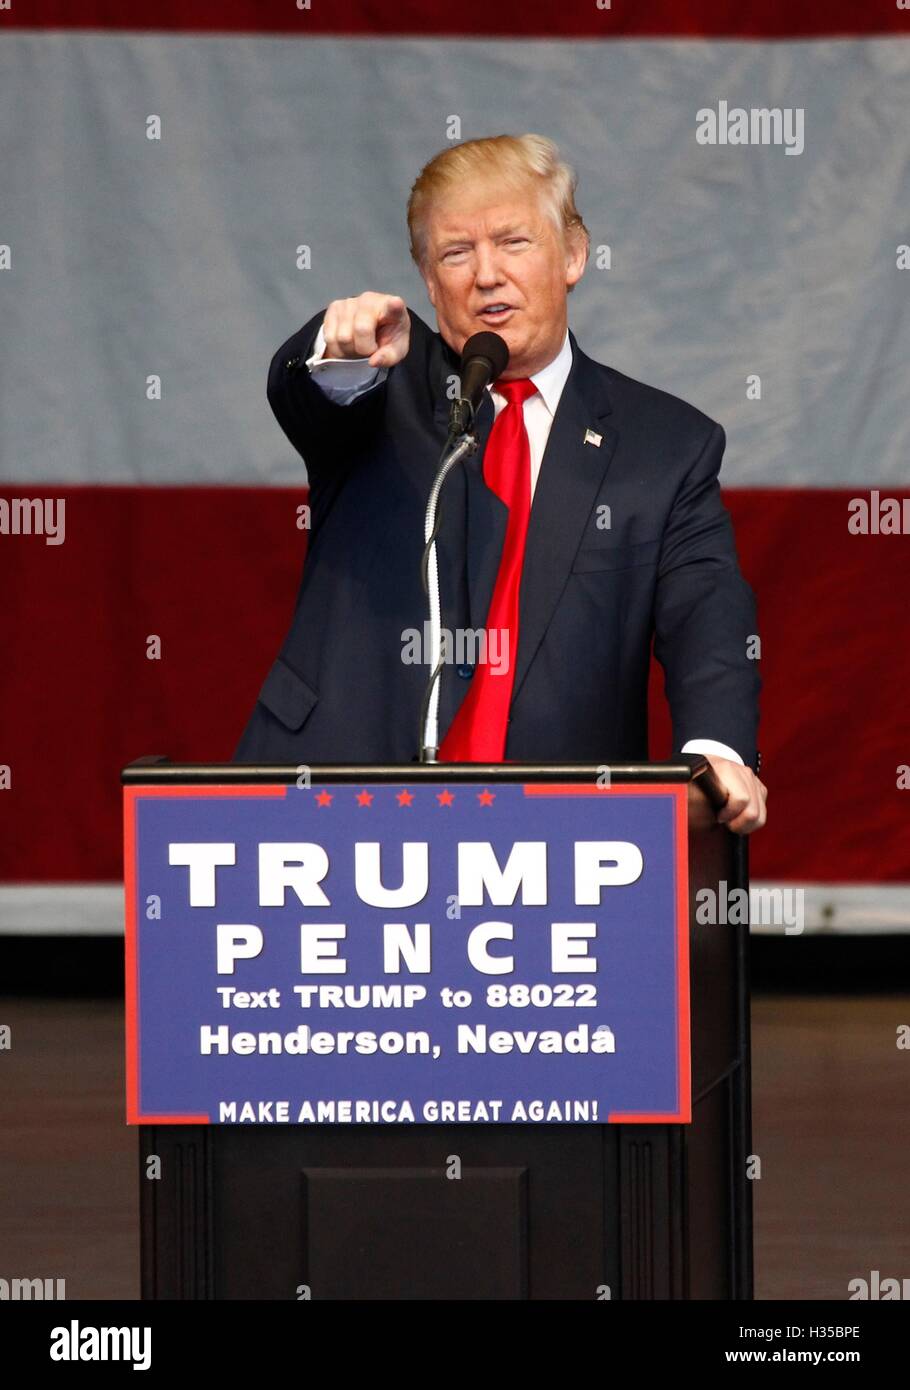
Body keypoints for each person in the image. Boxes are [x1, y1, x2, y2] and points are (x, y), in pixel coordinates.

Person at [235, 134, 767, 835]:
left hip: (553, 834)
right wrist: (340, 355)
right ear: (429, 282)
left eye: (513, 242)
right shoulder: (383, 388)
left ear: (573, 255)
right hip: (339, 807)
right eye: (456, 253)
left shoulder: (665, 446)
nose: (486, 275)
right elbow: (306, 394)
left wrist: (714, 751)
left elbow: (708, 615)